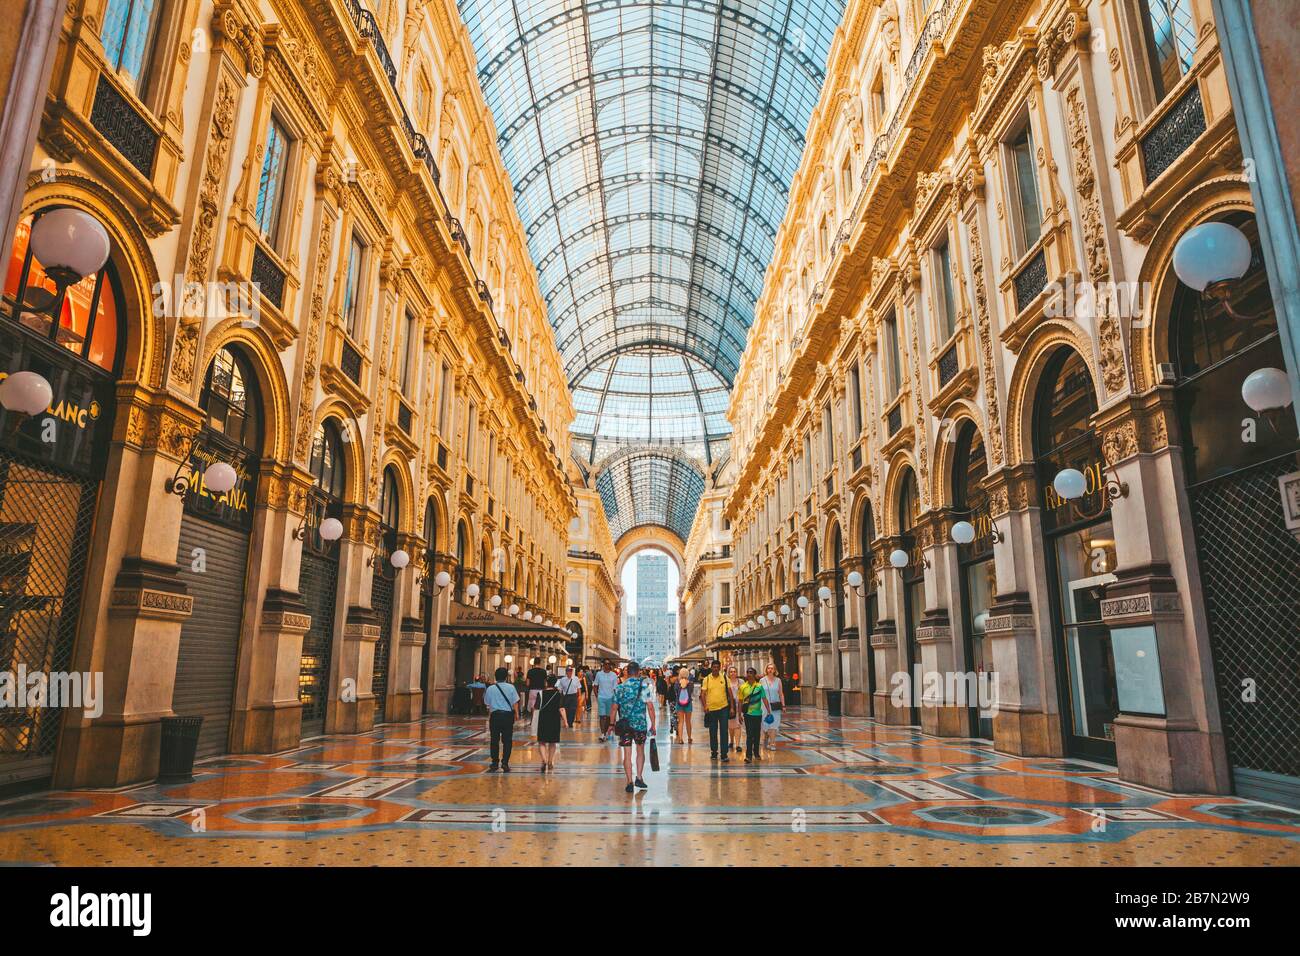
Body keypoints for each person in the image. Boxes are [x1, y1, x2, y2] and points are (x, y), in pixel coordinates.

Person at [608, 660, 656, 793]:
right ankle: (639, 777)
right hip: (640, 725)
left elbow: (613, 708)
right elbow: (650, 708)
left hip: (625, 725)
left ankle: (629, 781)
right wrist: (653, 724)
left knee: (627, 754)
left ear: (628, 672)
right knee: (640, 751)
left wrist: (611, 724)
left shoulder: (620, 687)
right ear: (639, 672)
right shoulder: (645, 686)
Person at [484, 667, 519, 772]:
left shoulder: (490, 688)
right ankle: (505, 763)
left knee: (494, 740)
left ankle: (494, 763)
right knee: (507, 741)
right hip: (507, 716)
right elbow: (515, 702)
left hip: (495, 716)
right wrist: (517, 714)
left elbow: (487, 703)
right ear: (506, 677)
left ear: (495, 676)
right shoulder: (511, 687)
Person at [700, 660, 735, 762]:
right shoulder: (706, 679)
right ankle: (714, 752)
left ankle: (724, 754)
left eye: (717, 667)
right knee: (713, 732)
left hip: (723, 708)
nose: (715, 669)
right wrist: (705, 706)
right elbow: (702, 694)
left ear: (719, 668)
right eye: (714, 667)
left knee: (724, 731)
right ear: (711, 667)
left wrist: (732, 707)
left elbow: (730, 694)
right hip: (711, 710)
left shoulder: (725, 678)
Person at [535, 674, 564, 772]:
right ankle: (550, 761)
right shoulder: (558, 693)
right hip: (554, 719)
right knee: (552, 742)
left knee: (542, 741)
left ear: (546, 682)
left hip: (543, 719)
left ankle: (544, 759)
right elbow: (561, 708)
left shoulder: (541, 693)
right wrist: (566, 721)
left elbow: (536, 707)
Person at [739, 667, 768, 764]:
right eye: (747, 672)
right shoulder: (743, 687)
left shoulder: (759, 686)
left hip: (758, 714)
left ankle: (756, 753)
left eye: (751, 672)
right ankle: (748, 755)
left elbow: (764, 699)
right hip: (748, 714)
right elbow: (740, 701)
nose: (749, 674)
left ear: (755, 674)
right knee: (749, 735)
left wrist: (769, 711)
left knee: (756, 735)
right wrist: (739, 714)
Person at [760, 663, 785, 752]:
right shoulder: (762, 680)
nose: (770, 670)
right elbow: (759, 694)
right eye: (768, 668)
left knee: (774, 725)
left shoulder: (778, 680)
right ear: (766, 670)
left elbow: (781, 693)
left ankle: (772, 743)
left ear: (775, 670)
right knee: (765, 725)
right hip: (764, 706)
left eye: (772, 668)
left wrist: (783, 705)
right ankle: (766, 738)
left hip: (775, 706)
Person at [592, 659, 619, 742]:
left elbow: (615, 688)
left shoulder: (614, 675)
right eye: (605, 664)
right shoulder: (599, 674)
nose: (607, 665)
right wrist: (597, 696)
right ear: (603, 665)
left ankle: (607, 732)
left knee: (608, 717)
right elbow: (595, 685)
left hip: (610, 698)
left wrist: (616, 699)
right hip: (601, 697)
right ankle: (602, 733)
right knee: (602, 716)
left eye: (608, 664)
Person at [726, 665, 744, 754]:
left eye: (734, 671)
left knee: (738, 725)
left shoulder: (741, 681)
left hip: (739, 705)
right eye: (731, 671)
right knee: (730, 726)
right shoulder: (726, 681)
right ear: (728, 673)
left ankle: (738, 745)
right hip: (729, 706)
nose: (733, 673)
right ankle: (731, 741)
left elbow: (745, 693)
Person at [673, 669, 694, 745]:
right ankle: (689, 738)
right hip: (688, 703)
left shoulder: (677, 683)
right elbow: (691, 692)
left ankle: (680, 739)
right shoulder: (690, 683)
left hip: (679, 704)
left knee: (680, 721)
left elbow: (675, 692)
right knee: (688, 721)